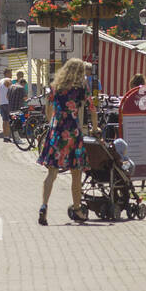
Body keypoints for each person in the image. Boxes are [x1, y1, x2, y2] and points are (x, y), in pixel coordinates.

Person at [36, 58, 98, 226]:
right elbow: (92, 108)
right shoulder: (80, 88)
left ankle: (44, 206)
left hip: (56, 131)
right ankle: (77, 209)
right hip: (73, 132)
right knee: (76, 173)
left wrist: (52, 124)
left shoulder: (56, 87)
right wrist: (95, 128)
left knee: (51, 173)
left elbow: (49, 109)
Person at [0, 70, 13, 140]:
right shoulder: (8, 80)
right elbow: (10, 92)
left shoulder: (0, 81)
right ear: (7, 73)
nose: (11, 75)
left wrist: (0, 100)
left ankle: (5, 136)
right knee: (9, 120)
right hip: (8, 103)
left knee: (4, 120)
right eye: (10, 73)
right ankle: (9, 136)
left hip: (2, 103)